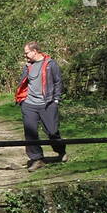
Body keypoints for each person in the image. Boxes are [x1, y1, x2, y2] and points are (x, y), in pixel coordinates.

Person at [14, 42, 66, 171]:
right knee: (30, 133)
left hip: (47, 103)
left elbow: (58, 82)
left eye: (26, 53)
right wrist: (23, 101)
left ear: (35, 51)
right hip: (29, 104)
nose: (25, 55)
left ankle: (61, 152)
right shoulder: (28, 66)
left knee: (52, 131)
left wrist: (56, 100)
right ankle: (37, 159)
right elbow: (23, 83)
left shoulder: (50, 64)